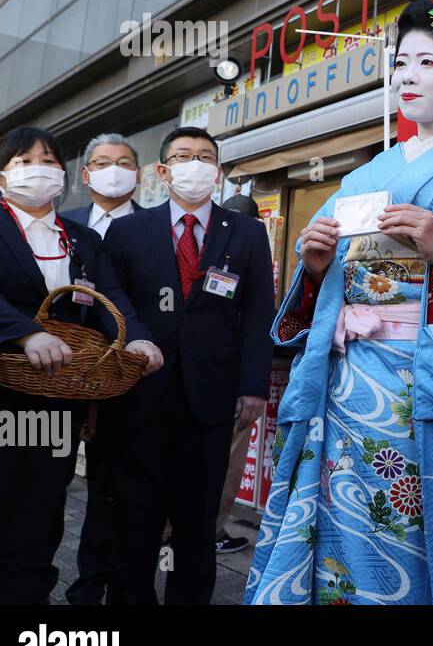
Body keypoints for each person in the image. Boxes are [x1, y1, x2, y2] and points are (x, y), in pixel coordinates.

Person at [246, 0, 433, 605]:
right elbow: (322, 289)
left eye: (427, 62)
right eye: (400, 63)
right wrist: (313, 263)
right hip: (355, 389)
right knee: (351, 531)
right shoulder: (364, 175)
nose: (407, 77)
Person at [0, 127, 162, 604]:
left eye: (50, 159)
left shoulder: (80, 238)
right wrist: (25, 332)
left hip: (57, 403)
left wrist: (136, 337)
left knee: (33, 529)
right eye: (24, 160)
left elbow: (108, 297)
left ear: (64, 174)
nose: (39, 166)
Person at [98, 126, 275, 604]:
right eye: (183, 156)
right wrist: (135, 336)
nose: (194, 164)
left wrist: (255, 386)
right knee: (137, 516)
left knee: (197, 523)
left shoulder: (247, 231)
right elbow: (111, 296)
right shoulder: (128, 229)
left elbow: (259, 313)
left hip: (212, 397)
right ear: (162, 170)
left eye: (205, 156)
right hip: (142, 390)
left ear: (217, 172)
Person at [57, 133, 143, 605]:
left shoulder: (153, 226)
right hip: (62, 377)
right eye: (104, 162)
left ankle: (103, 585)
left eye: (125, 162)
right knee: (48, 489)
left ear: (140, 172)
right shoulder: (63, 226)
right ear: (86, 174)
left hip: (130, 379)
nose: (115, 169)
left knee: (114, 489)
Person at [212, 192, 265, 556]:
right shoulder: (249, 251)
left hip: (207, 378)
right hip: (230, 379)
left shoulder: (207, 246)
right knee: (226, 461)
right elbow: (259, 321)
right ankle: (211, 531)